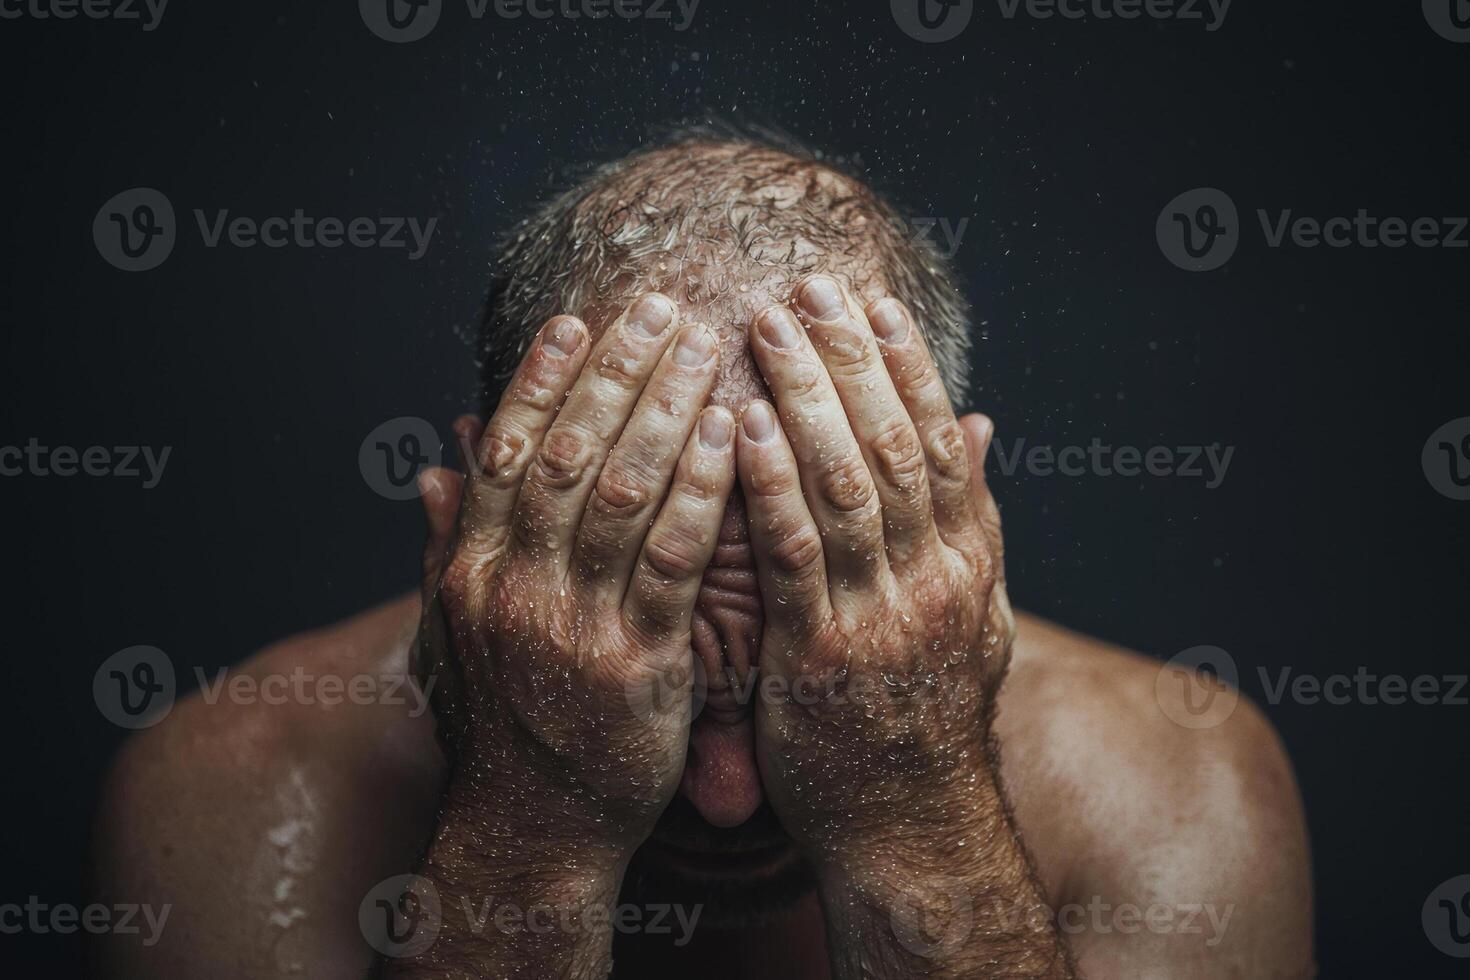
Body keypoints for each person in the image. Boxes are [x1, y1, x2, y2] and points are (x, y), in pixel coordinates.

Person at [93, 131, 1315, 979]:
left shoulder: (1173, 779)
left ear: (960, 527)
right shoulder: (240, 788)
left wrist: (914, 806)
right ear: (467, 524)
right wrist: (536, 811)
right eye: (646, 657)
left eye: (810, 655)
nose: (725, 791)